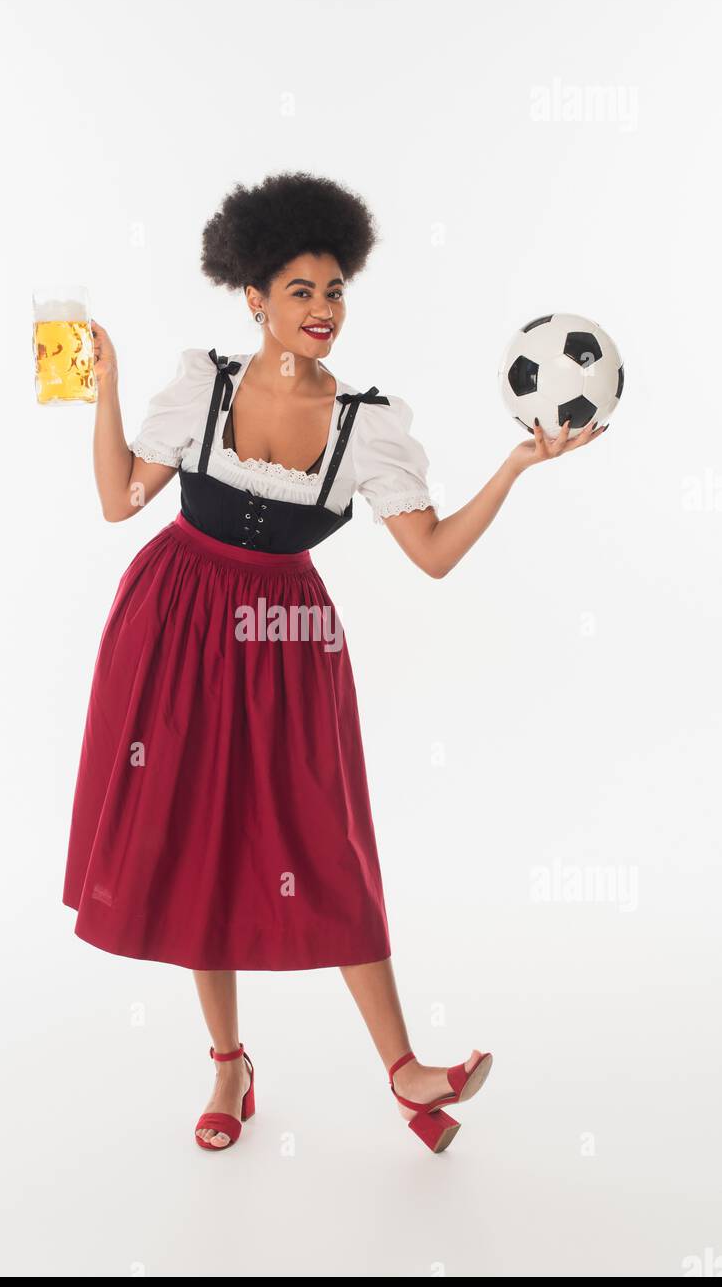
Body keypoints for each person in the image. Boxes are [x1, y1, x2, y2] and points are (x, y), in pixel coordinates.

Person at [61, 171, 606, 1154]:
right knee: (197, 843)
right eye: (301, 290)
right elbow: (117, 500)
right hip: (174, 620)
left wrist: (517, 467)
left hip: (287, 646)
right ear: (255, 297)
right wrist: (104, 384)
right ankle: (228, 1062)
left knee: (326, 840)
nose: (322, 310)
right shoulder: (203, 386)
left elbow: (432, 553)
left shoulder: (368, 425)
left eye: (335, 290)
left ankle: (402, 1065)